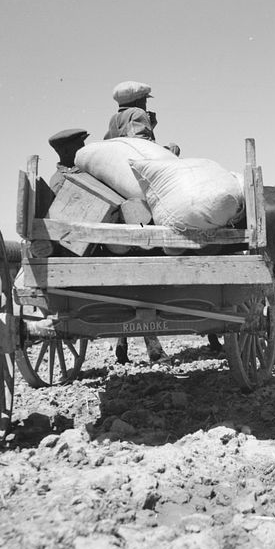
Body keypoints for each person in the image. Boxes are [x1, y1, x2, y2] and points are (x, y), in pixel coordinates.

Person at [105, 80, 173, 364]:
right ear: (140, 101)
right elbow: (141, 148)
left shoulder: (114, 119)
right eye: (145, 100)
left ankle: (121, 340)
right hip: (138, 190)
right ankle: (152, 346)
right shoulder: (138, 115)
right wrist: (169, 149)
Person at [47, 128, 90, 193]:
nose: (83, 150)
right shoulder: (60, 181)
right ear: (66, 151)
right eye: (80, 147)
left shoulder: (84, 169)